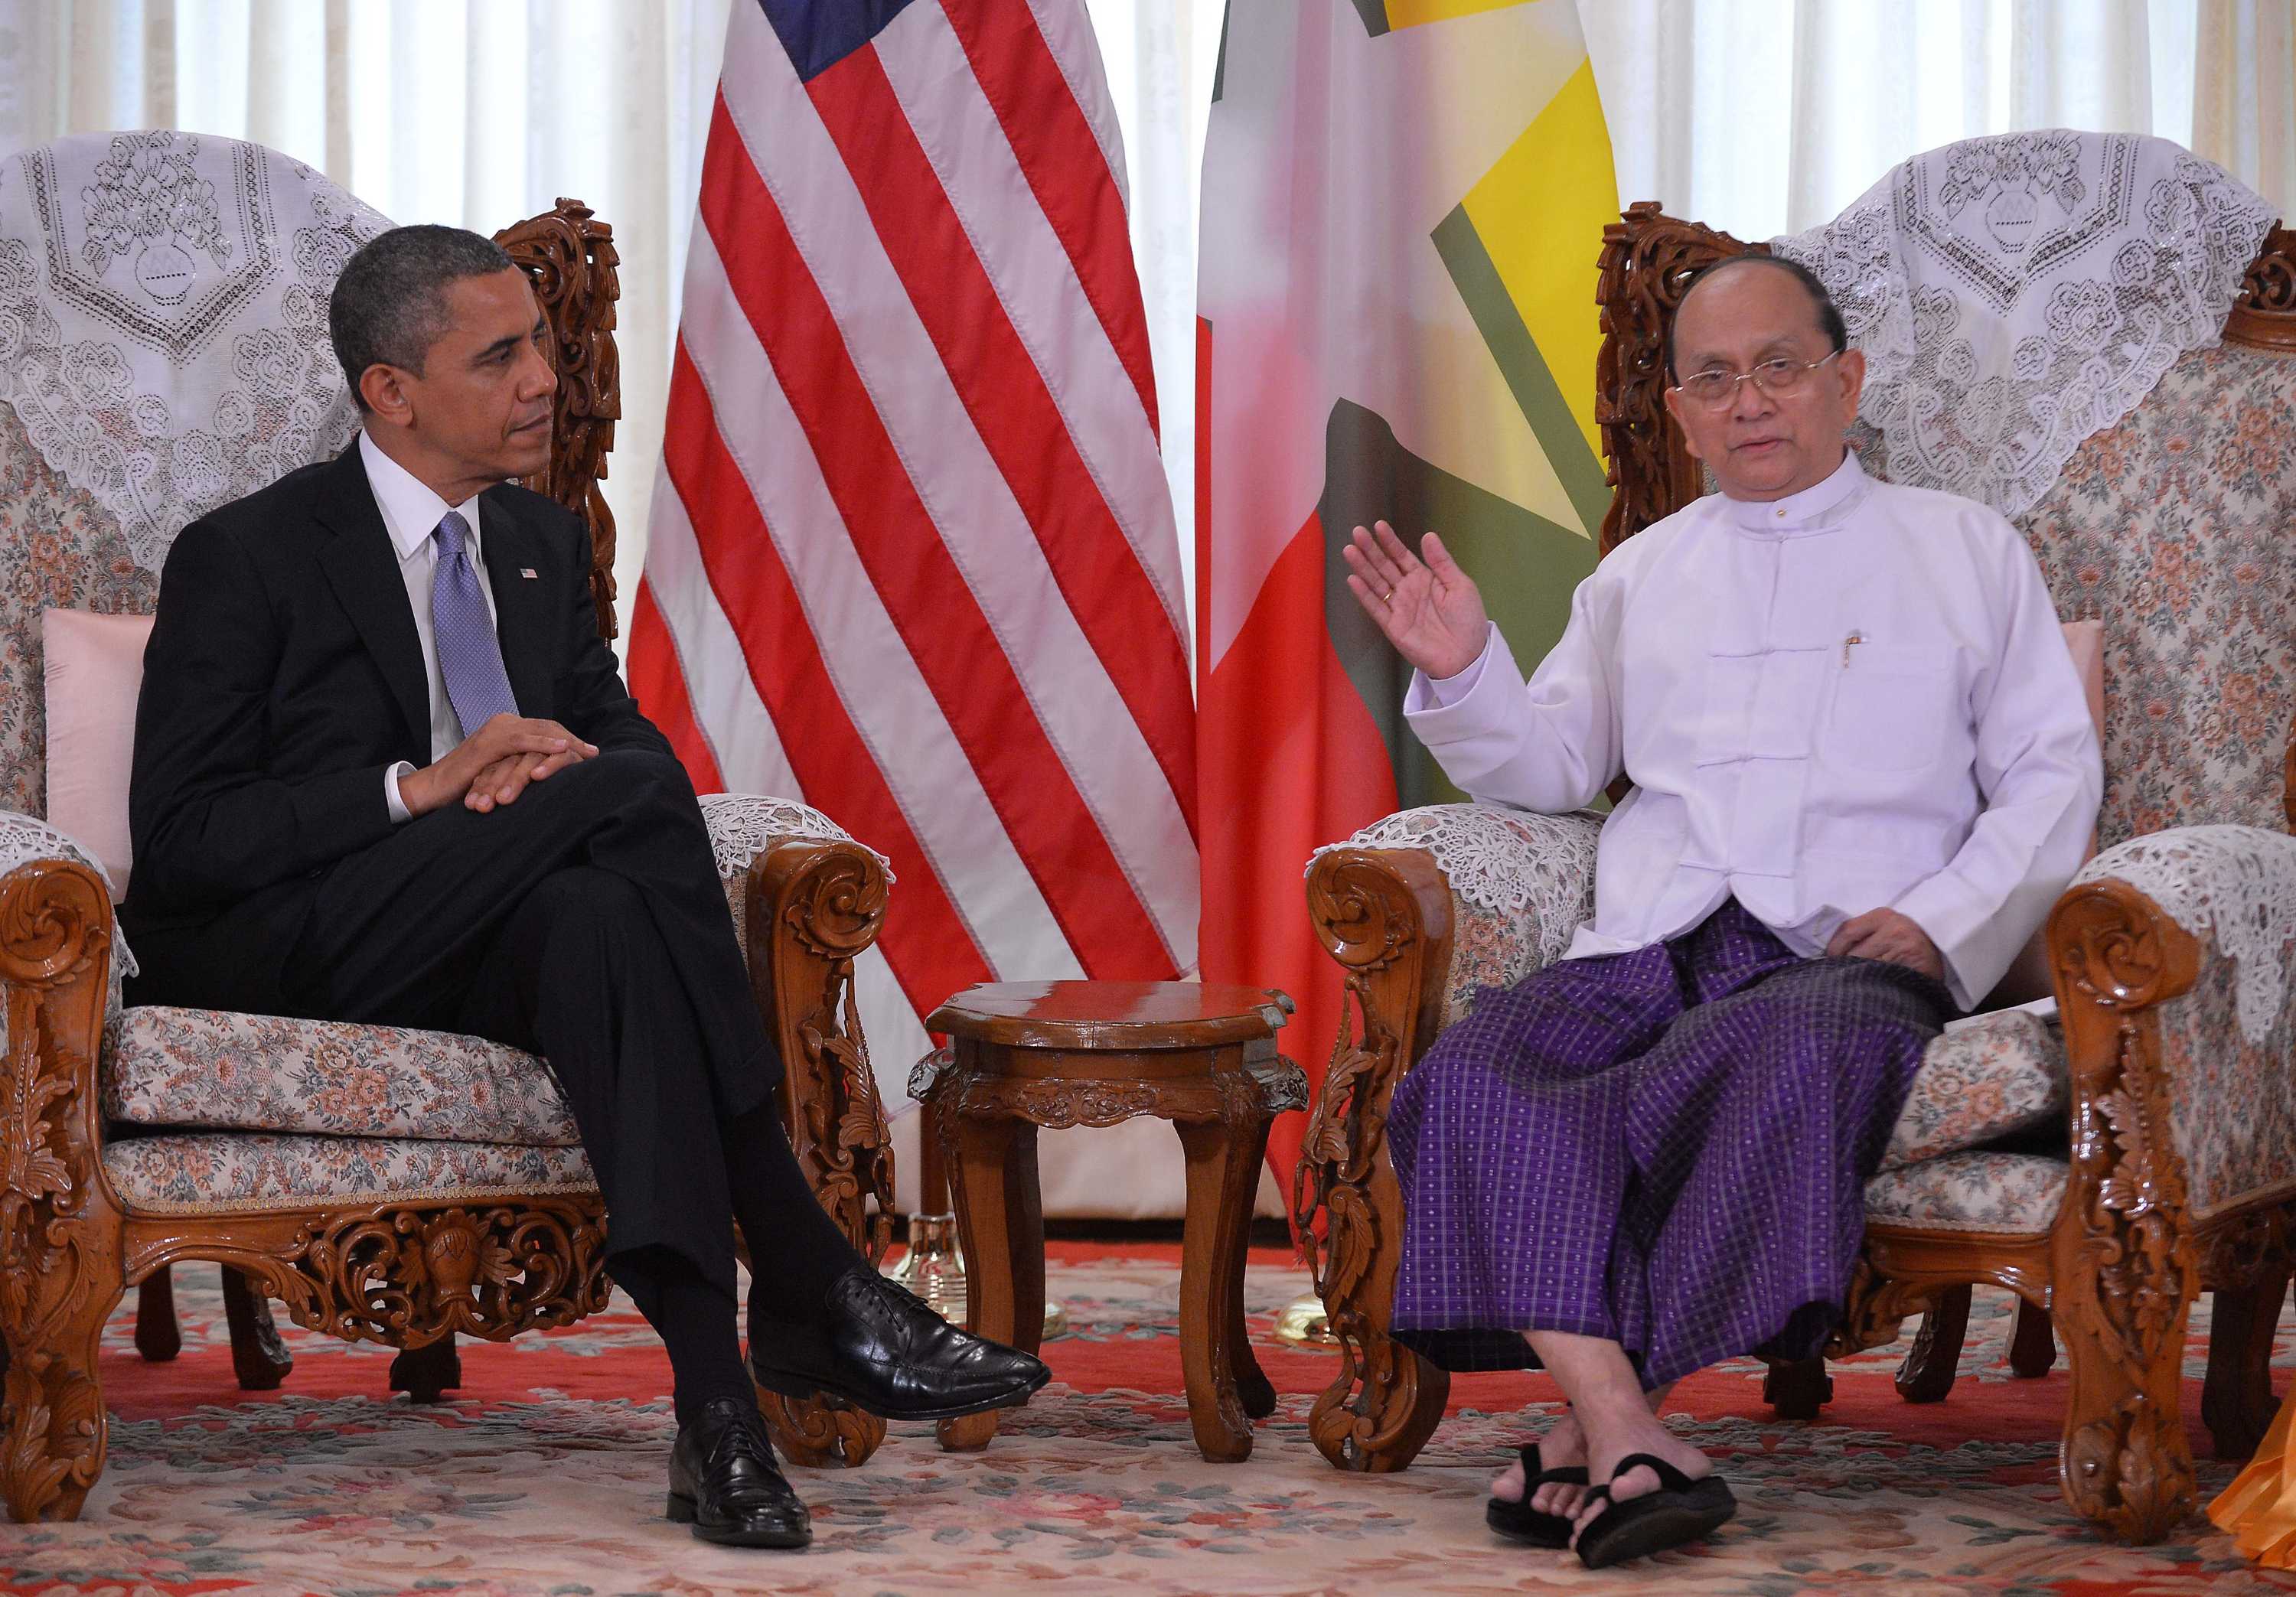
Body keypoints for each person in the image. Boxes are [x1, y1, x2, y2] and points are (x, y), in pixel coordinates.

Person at [121, 224, 1047, 1551]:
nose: (544, 379)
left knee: (609, 910)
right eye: (499, 356)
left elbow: (630, 751)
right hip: (296, 939)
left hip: (500, 929)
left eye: (541, 344)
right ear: (390, 391)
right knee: (612, 798)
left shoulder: (544, 546)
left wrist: (551, 787)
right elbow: (184, 842)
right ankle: (804, 1266)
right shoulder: (247, 555)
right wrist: (422, 787)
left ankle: (717, 1409)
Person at [1341, 255, 2101, 1568]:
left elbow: (2052, 773)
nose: (1748, 401)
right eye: (1712, 379)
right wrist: (1470, 669)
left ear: (1844, 382)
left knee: (1779, 1059)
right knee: (1471, 1074)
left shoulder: (1964, 549)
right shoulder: (1642, 571)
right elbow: (1557, 768)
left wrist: (1945, 918)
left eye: (1778, 367)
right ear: (1681, 416)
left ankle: (1591, 1435)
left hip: (1851, 949)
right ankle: (1624, 1427)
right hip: (1649, 943)